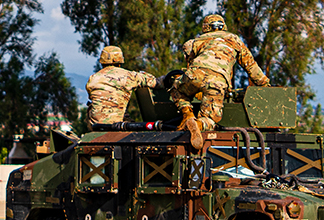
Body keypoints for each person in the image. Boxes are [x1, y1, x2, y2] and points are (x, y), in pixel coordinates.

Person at [172, 14, 270, 152]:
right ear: (223, 26)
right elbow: (251, 67)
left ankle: (187, 114)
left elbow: (189, 64)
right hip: (217, 82)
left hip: (195, 75)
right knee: (211, 120)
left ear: (205, 28)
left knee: (176, 87)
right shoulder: (234, 40)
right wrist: (265, 85)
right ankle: (198, 124)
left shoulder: (196, 41)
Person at [83, 46, 158, 126]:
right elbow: (153, 82)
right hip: (116, 126)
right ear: (120, 60)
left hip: (95, 126)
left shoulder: (93, 78)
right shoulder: (128, 76)